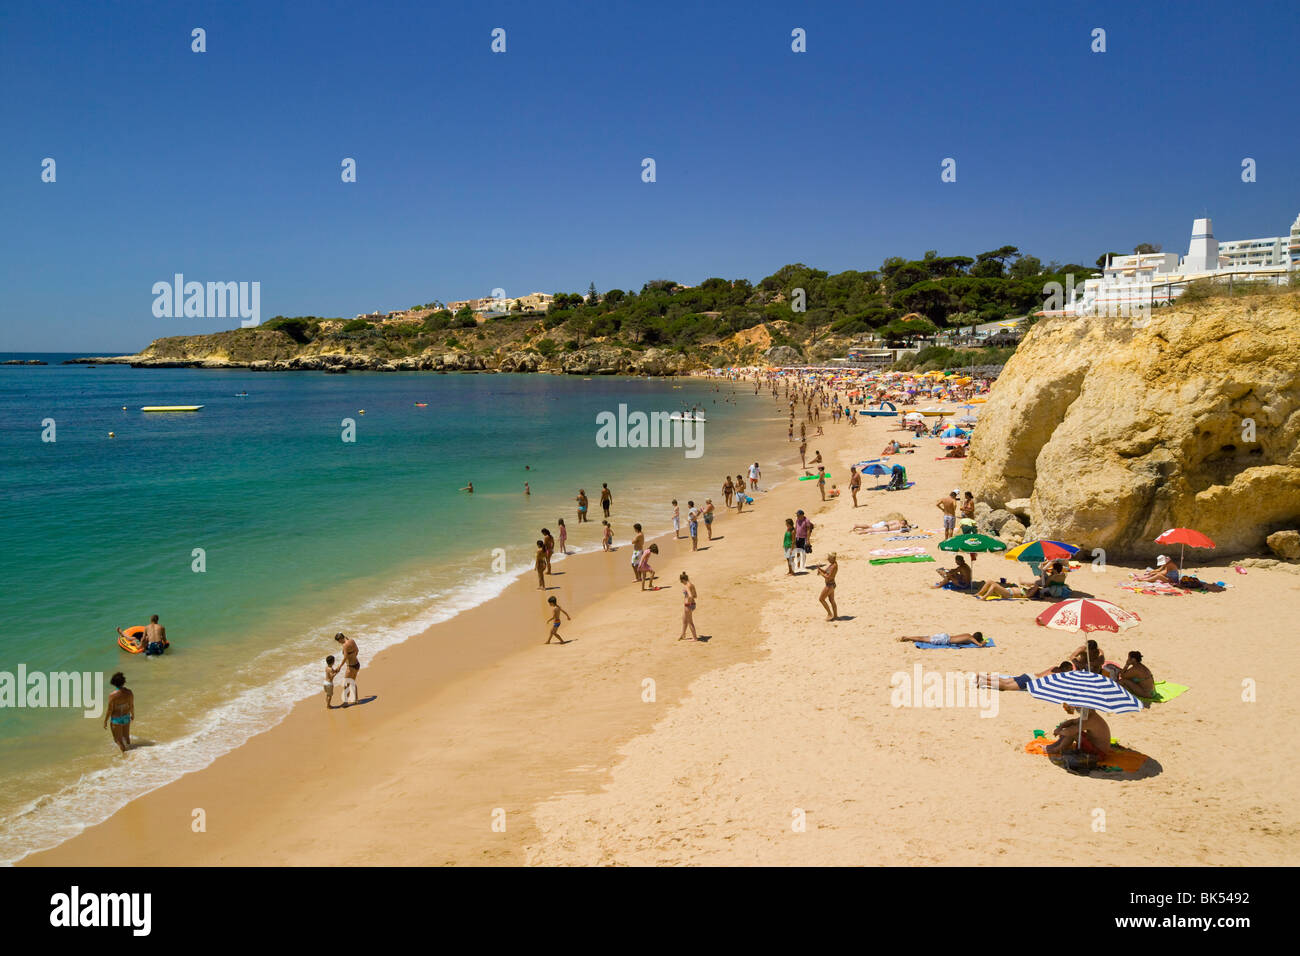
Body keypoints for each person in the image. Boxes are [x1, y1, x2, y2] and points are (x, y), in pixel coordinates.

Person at [1045, 704, 1112, 758]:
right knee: (1072, 729)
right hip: (1095, 745)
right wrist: (1060, 727)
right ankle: (1054, 746)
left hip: (1099, 753)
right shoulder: (1091, 715)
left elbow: (1070, 732)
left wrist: (1058, 731)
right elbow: (1072, 721)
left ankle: (1055, 750)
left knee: (1073, 733)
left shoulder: (1091, 719)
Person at [103, 672, 134, 753]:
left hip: (116, 719)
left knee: (118, 740)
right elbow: (131, 706)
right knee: (126, 737)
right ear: (123, 682)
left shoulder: (112, 695)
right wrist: (133, 715)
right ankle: (131, 754)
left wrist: (105, 720)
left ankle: (125, 756)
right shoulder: (129, 692)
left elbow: (110, 710)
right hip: (126, 717)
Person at [334, 632, 360, 705]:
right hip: (357, 664)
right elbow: (357, 650)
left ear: (340, 639)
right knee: (352, 682)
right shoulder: (352, 640)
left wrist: (339, 666)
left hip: (351, 666)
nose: (339, 643)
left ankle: (345, 702)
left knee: (346, 684)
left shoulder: (345, 645)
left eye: (338, 641)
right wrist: (353, 657)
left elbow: (345, 657)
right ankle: (356, 700)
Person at [817, 552, 839, 621]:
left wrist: (820, 573)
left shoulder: (834, 566)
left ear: (832, 558)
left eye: (829, 558)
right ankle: (835, 615)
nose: (827, 559)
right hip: (831, 585)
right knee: (831, 600)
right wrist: (819, 569)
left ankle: (830, 614)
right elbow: (826, 571)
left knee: (821, 599)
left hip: (829, 585)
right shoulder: (832, 565)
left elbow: (828, 577)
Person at [896, 631, 986, 646]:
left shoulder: (967, 634)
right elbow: (980, 645)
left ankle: (908, 637)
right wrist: (984, 642)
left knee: (925, 638)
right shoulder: (970, 638)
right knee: (924, 639)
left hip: (946, 636)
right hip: (945, 640)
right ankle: (907, 637)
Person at [679, 572, 698, 641]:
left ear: (683, 580)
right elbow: (695, 596)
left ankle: (695, 638)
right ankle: (683, 635)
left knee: (690, 622)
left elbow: (690, 596)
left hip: (688, 605)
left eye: (681, 582)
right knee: (684, 619)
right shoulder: (692, 585)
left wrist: (688, 602)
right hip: (693, 604)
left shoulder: (687, 586)